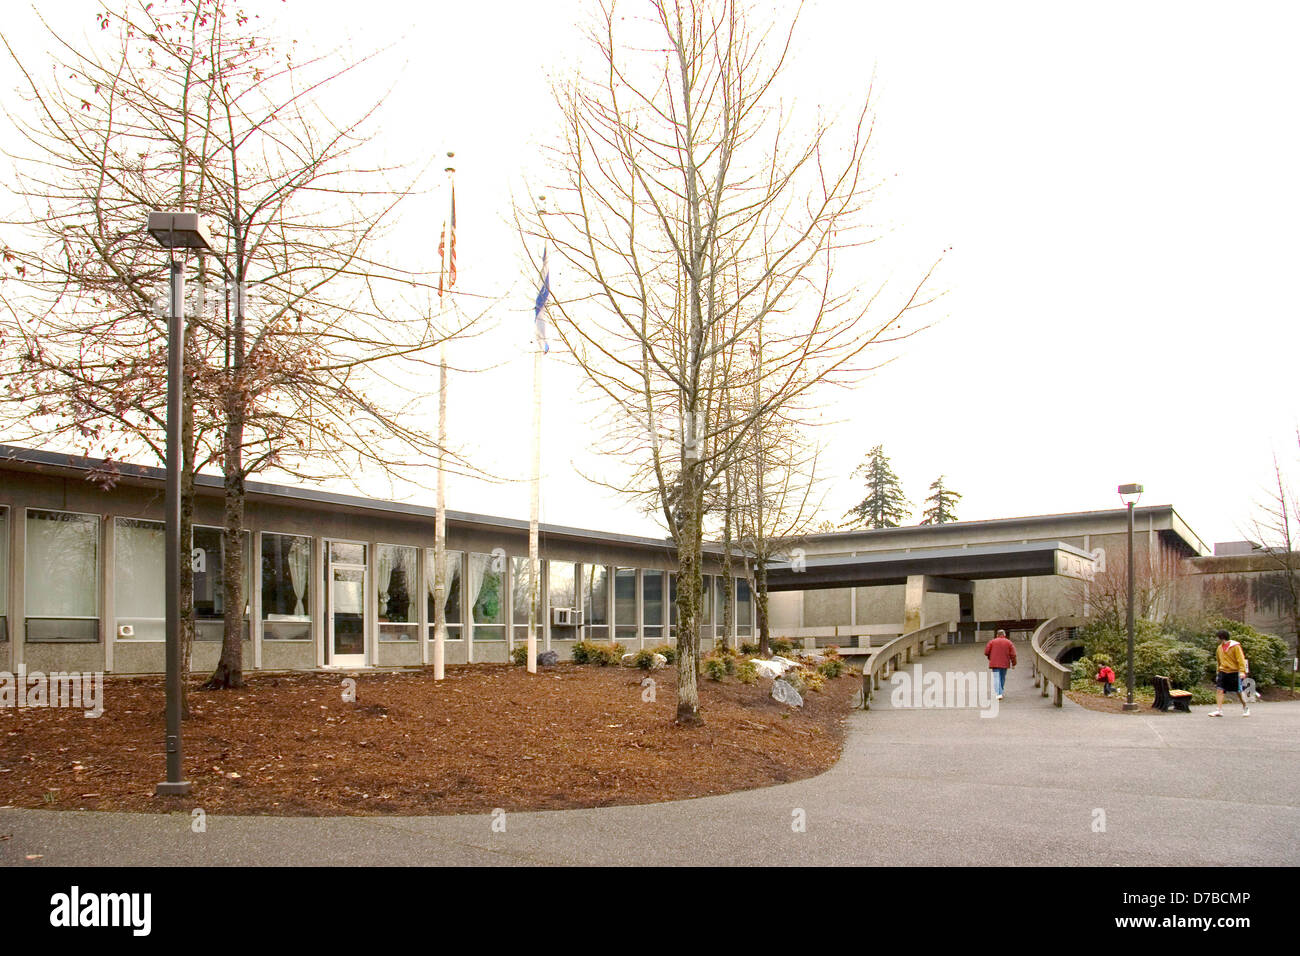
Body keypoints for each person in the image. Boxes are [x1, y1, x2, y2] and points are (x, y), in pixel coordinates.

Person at [1209, 628, 1250, 717]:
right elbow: (1218, 661)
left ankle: (1245, 707)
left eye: (1217, 638)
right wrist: (1218, 672)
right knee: (1220, 690)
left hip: (1234, 672)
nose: (1216, 640)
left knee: (1238, 691)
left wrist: (1242, 671)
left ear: (1222, 638)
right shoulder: (1219, 648)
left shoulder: (1235, 646)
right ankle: (1219, 710)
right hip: (1223, 671)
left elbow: (1241, 659)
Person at [984, 628, 1017, 700]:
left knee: (996, 678)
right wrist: (1014, 663)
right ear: (1004, 635)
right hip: (1005, 663)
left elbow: (986, 652)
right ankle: (1000, 691)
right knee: (1002, 677)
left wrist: (990, 657)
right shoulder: (1009, 642)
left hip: (994, 663)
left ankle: (999, 693)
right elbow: (1013, 654)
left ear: (997, 635)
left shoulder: (992, 642)